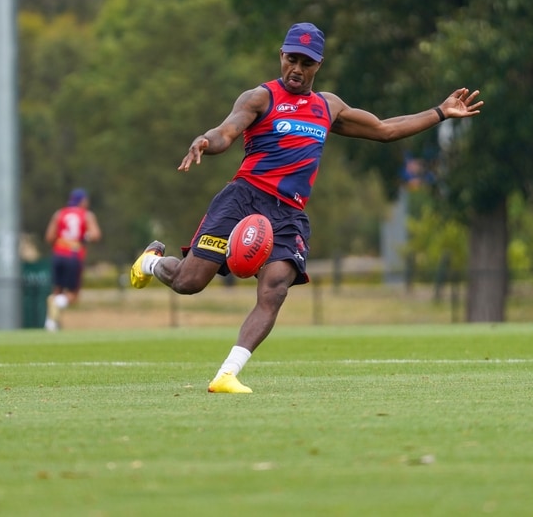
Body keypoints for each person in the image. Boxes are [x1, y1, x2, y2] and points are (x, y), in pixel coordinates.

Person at [128, 22, 482, 393]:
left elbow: (385, 129)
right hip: (244, 198)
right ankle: (152, 260)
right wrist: (204, 141)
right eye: (291, 59)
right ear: (281, 56)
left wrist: (440, 112)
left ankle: (227, 374)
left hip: (288, 214)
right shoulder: (260, 98)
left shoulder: (328, 107)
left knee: (276, 289)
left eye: (306, 62)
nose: (297, 68)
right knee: (189, 281)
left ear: (318, 65)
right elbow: (227, 132)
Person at [43, 188, 102, 331]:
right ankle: (56, 306)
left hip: (58, 253)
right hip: (74, 254)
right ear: (82, 201)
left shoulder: (59, 214)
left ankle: (52, 324)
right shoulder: (86, 215)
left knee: (57, 290)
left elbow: (49, 237)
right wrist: (83, 237)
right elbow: (95, 235)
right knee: (73, 295)